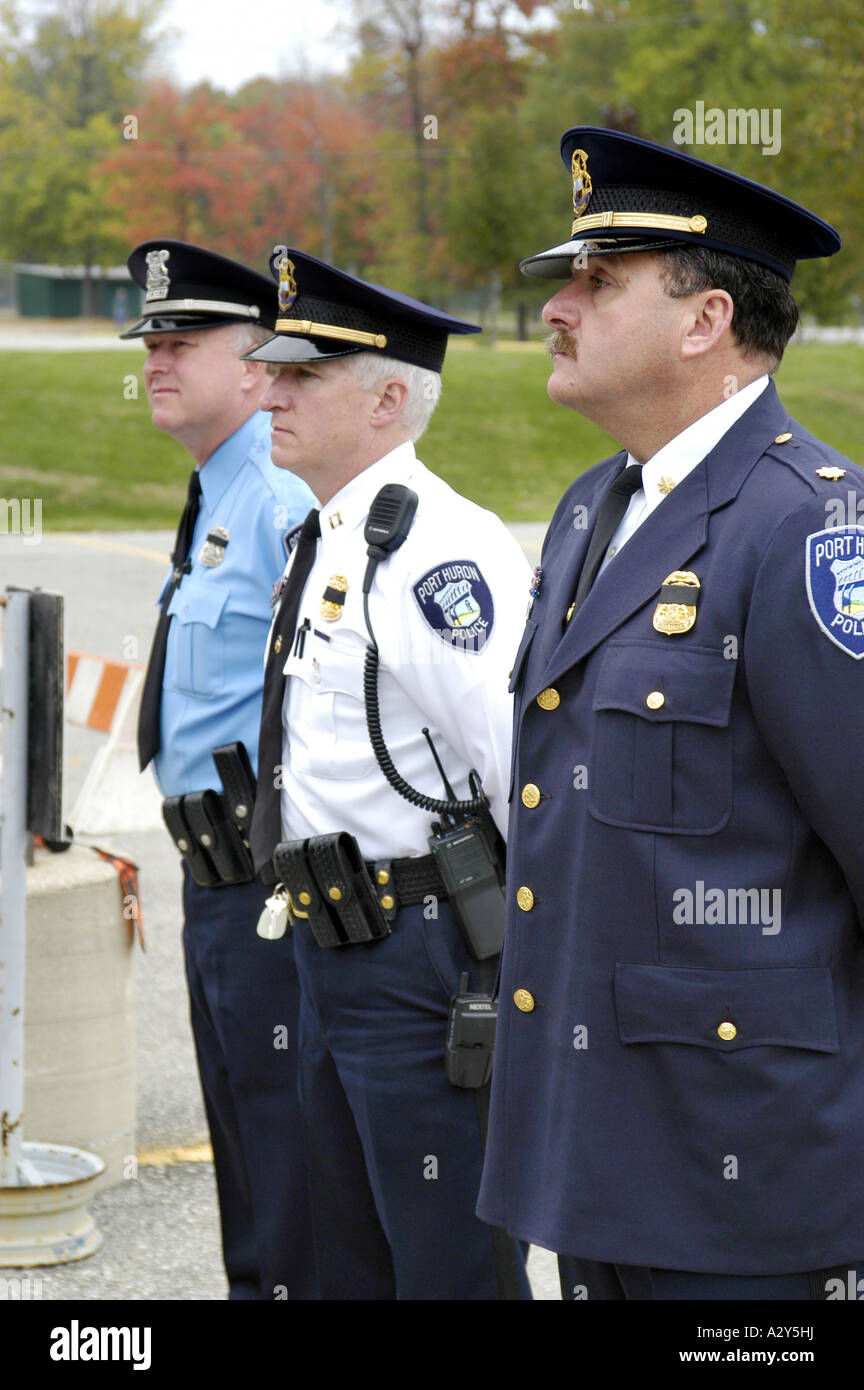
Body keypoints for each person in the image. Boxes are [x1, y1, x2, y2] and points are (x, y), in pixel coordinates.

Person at [476, 126, 864, 1301]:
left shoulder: (807, 531)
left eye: (599, 281)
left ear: (704, 322)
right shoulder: (597, 506)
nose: (559, 307)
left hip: (750, 1188)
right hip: (599, 1156)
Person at [246, 248, 533, 1299]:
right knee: (350, 1257)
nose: (268, 388)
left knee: (449, 1261)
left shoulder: (436, 553)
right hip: (332, 944)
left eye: (302, 374)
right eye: (275, 367)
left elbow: (522, 776)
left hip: (422, 958)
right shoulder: (328, 534)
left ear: (390, 399)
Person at [124, 239, 317, 1300]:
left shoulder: (281, 496)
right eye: (151, 338)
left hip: (267, 880)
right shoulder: (220, 490)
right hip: (213, 874)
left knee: (287, 1167)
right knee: (247, 1153)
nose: (156, 356)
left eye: (182, 339)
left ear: (254, 367)